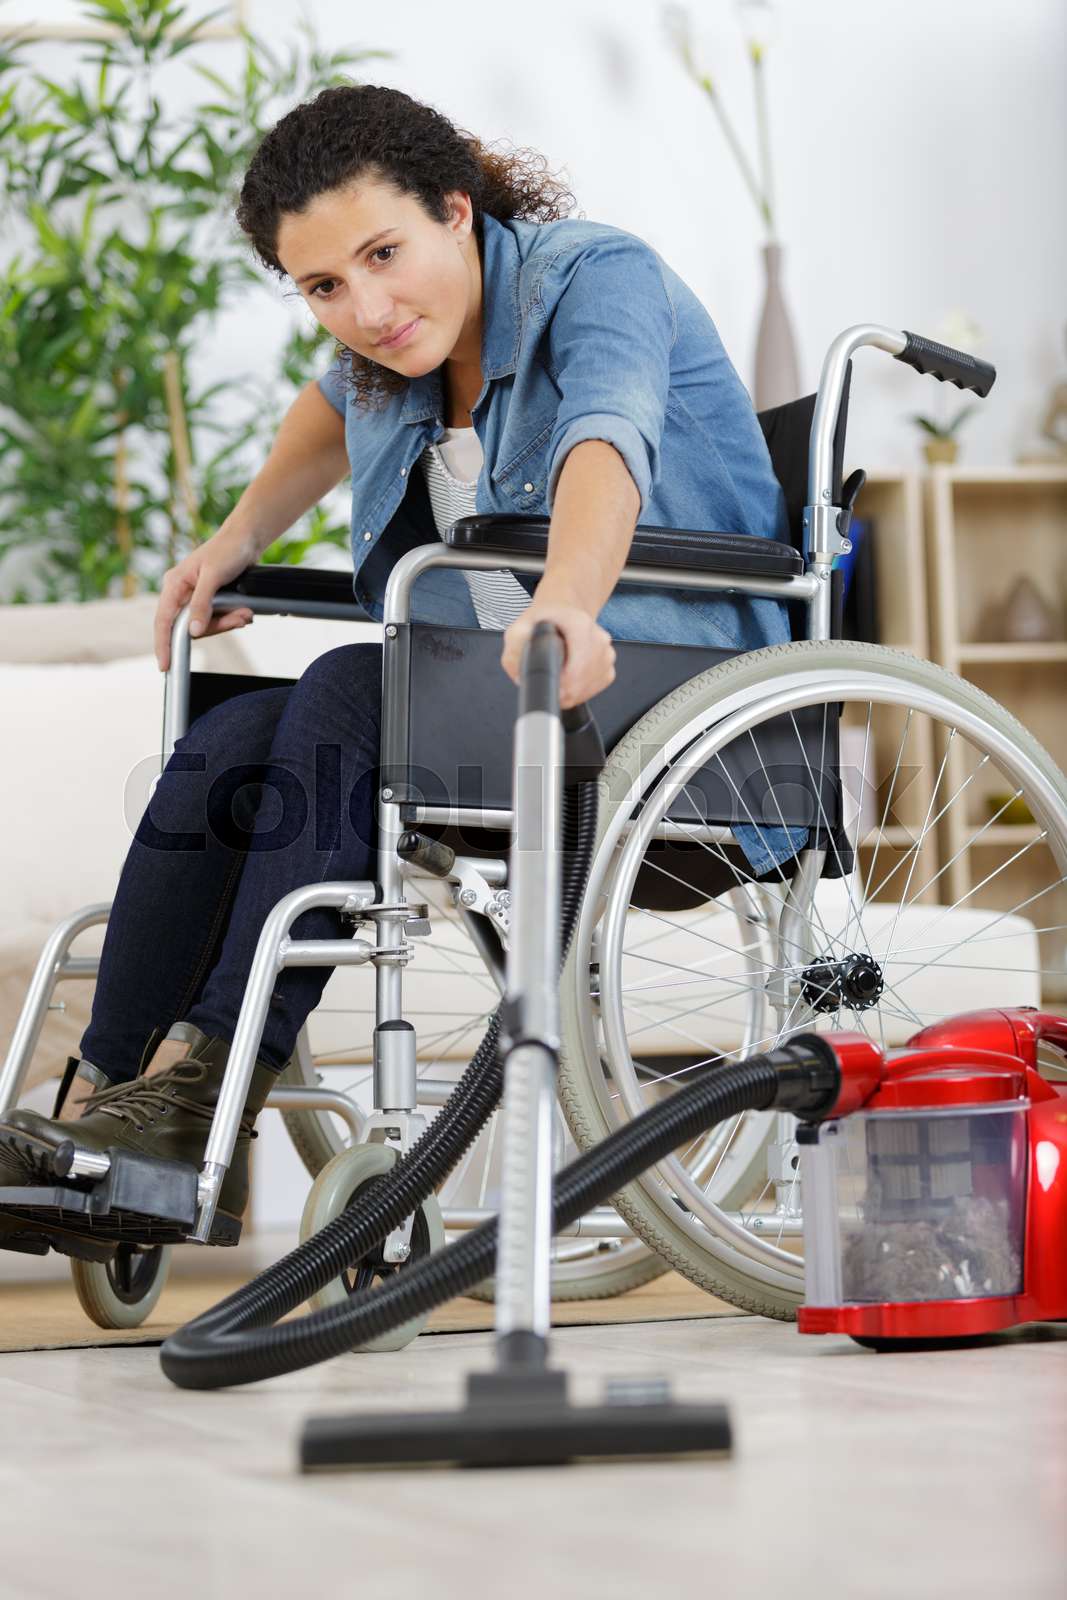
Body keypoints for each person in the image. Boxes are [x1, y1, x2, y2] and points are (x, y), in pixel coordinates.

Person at [0, 84, 796, 1222]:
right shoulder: (395, 355)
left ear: (455, 209)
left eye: (383, 254)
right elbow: (323, 413)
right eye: (324, 285)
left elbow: (605, 437)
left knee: (345, 683)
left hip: (657, 688)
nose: (366, 309)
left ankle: (204, 1100)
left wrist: (568, 602)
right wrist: (230, 544)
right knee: (235, 733)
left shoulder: (595, 276)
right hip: (496, 713)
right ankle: (106, 1101)